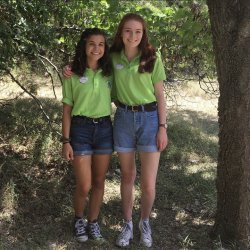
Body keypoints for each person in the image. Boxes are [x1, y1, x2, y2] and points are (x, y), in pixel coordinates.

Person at [63, 13, 168, 248]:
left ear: (143, 34)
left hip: (150, 118)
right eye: (128, 31)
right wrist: (70, 68)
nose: (133, 36)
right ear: (121, 32)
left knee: (149, 183)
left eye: (138, 31)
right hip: (122, 118)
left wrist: (162, 126)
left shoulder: (152, 56)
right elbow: (90, 65)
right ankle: (128, 224)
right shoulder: (112, 57)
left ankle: (144, 223)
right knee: (128, 176)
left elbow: (160, 95)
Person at [61, 28, 113, 244]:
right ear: (84, 45)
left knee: (100, 181)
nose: (96, 48)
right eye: (92, 43)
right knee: (85, 184)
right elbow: (66, 111)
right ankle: (78, 219)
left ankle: (93, 222)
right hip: (80, 129)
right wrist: (65, 141)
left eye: (101, 44)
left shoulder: (110, 73)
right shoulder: (72, 73)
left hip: (104, 129)